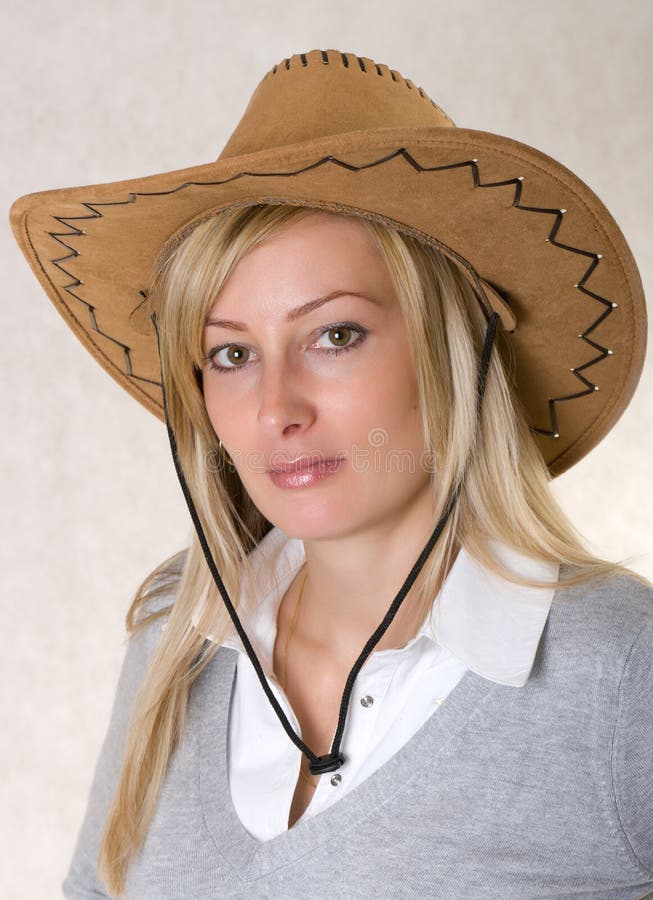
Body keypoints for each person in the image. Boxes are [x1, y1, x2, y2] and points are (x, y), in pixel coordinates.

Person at [10, 48, 653, 899]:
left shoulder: (622, 672)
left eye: (334, 335)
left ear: (452, 351)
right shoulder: (177, 636)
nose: (278, 408)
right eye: (231, 353)